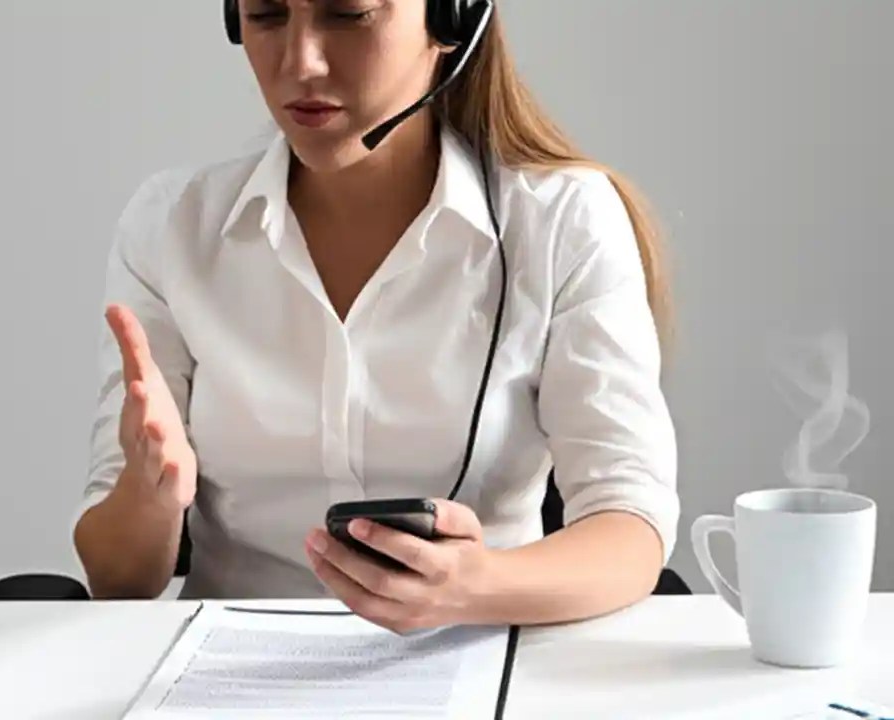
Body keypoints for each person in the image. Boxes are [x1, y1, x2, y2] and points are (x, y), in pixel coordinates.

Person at [73, 0, 679, 633]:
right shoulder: (172, 224)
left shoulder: (561, 221)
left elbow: (630, 527)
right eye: (266, 15)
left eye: (348, 13)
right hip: (227, 671)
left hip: (474, 658)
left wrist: (478, 586)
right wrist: (152, 494)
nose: (300, 61)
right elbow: (118, 580)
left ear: (452, 19)